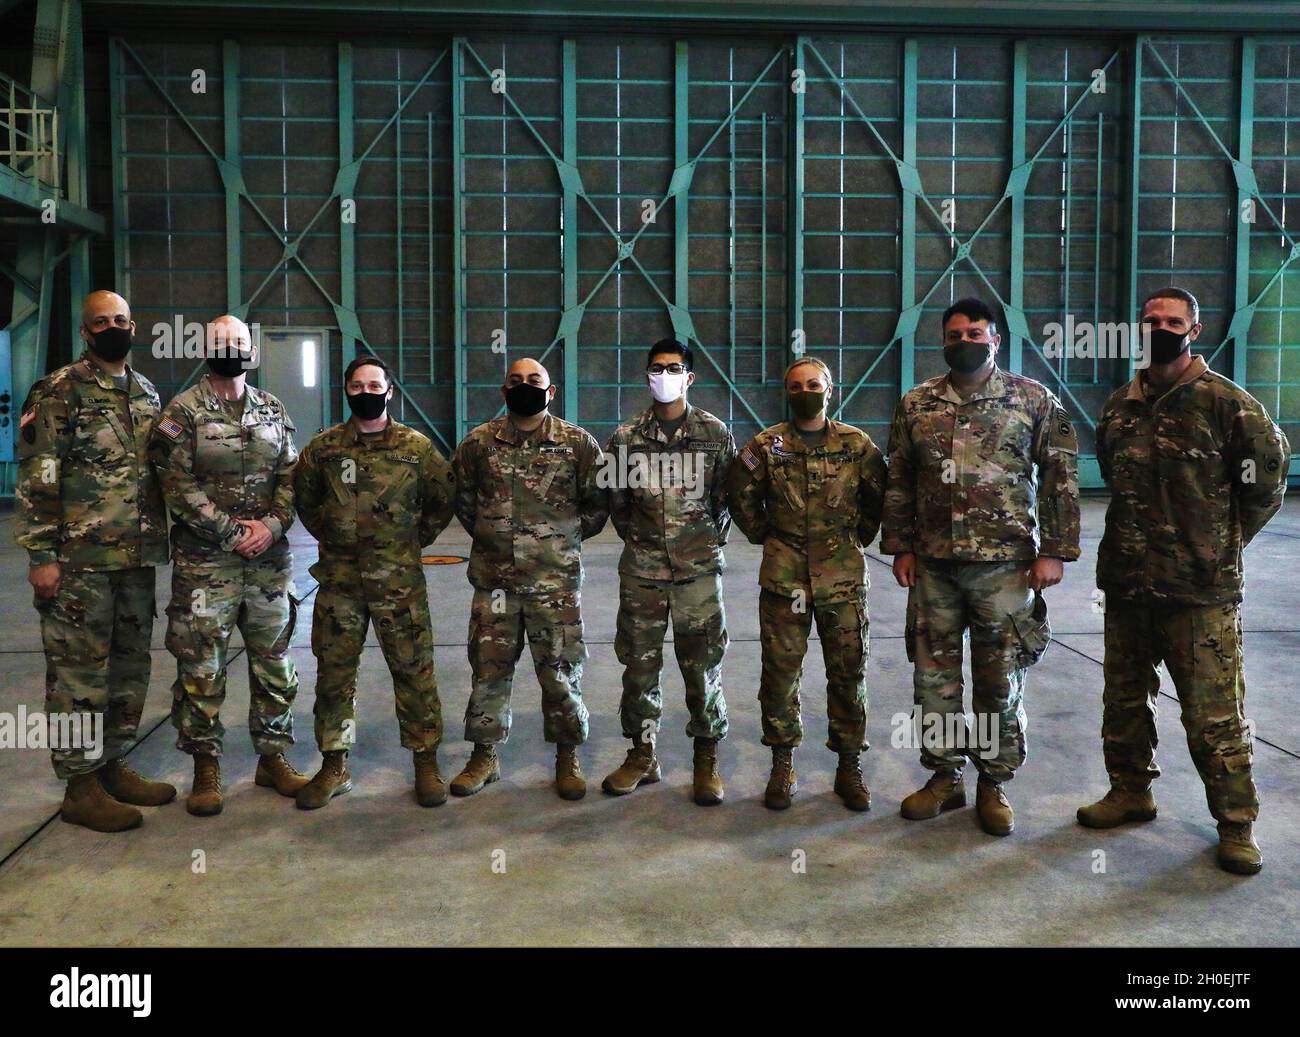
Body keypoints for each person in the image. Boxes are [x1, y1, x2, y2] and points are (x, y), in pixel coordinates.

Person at [1078, 286, 1291, 875]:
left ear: (1194, 331)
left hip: (1200, 592)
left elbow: (1266, 484)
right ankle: (1130, 792)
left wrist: (1221, 544)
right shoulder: (1121, 405)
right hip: (1126, 583)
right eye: (1150, 320)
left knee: (1212, 714)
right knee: (1123, 700)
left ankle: (1236, 823)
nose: (1161, 328)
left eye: (1173, 321)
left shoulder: (1227, 404)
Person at [882, 298, 1079, 836]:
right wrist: (900, 545)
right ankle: (944, 778)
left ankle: (993, 783)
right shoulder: (917, 402)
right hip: (935, 567)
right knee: (934, 679)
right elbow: (899, 477)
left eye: (974, 332)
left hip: (1006, 567)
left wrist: (1055, 551)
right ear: (942, 341)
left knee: (998, 680)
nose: (963, 341)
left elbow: (1061, 475)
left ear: (995, 340)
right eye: (953, 334)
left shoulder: (1032, 398)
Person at [14, 290, 174, 831]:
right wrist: (42, 555)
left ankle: (112, 763)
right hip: (78, 561)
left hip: (135, 557)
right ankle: (79, 785)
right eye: (101, 322)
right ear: (86, 332)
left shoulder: (146, 391)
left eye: (121, 320)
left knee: (130, 667)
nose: (113, 328)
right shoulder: (60, 389)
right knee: (77, 675)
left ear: (135, 325)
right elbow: (40, 475)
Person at [149, 316, 304, 816]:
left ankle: (273, 757)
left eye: (238, 342)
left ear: (252, 350)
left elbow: (290, 473)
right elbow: (176, 482)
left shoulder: (272, 408)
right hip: (206, 564)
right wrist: (232, 531)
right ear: (206, 349)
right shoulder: (183, 412)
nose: (231, 348)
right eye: (221, 342)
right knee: (201, 666)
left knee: (275, 662)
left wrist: (274, 525)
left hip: (268, 563)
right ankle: (205, 766)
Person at [292, 355, 456, 809]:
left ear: (390, 390)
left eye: (374, 385)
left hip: (398, 583)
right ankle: (334, 765)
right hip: (340, 583)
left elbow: (443, 498)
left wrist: (410, 540)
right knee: (334, 675)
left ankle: (425, 762)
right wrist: (332, 533)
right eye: (357, 386)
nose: (367, 393)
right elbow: (304, 498)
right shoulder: (323, 448)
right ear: (346, 391)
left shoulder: (416, 448)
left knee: (414, 673)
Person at [727, 357, 886, 811]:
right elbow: (739, 494)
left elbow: (880, 495)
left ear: (830, 390)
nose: (805, 392)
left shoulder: (857, 445)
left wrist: (857, 538)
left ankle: (848, 764)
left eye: (813, 384)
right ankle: (782, 762)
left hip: (842, 580)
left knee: (848, 673)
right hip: (784, 580)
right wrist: (766, 535)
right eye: (795, 386)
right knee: (780, 675)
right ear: (787, 393)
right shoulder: (768, 444)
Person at [450, 358, 608, 800]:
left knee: (560, 673)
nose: (525, 387)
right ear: (503, 391)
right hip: (494, 584)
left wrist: (560, 542)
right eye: (516, 381)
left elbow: (597, 506)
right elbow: (463, 500)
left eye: (534, 381)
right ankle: (484, 757)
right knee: (489, 672)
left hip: (553, 585)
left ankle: (567, 756)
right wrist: (493, 537)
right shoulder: (478, 444)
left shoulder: (578, 444)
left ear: (550, 391)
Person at [602, 338, 736, 805]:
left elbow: (724, 500)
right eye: (656, 367)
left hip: (698, 573)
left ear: (689, 377)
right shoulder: (625, 437)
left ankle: (706, 760)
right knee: (639, 668)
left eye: (673, 367)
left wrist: (696, 545)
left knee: (702, 669)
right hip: (642, 572)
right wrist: (648, 547)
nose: (664, 375)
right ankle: (642, 755)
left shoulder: (715, 433)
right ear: (646, 375)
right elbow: (619, 507)